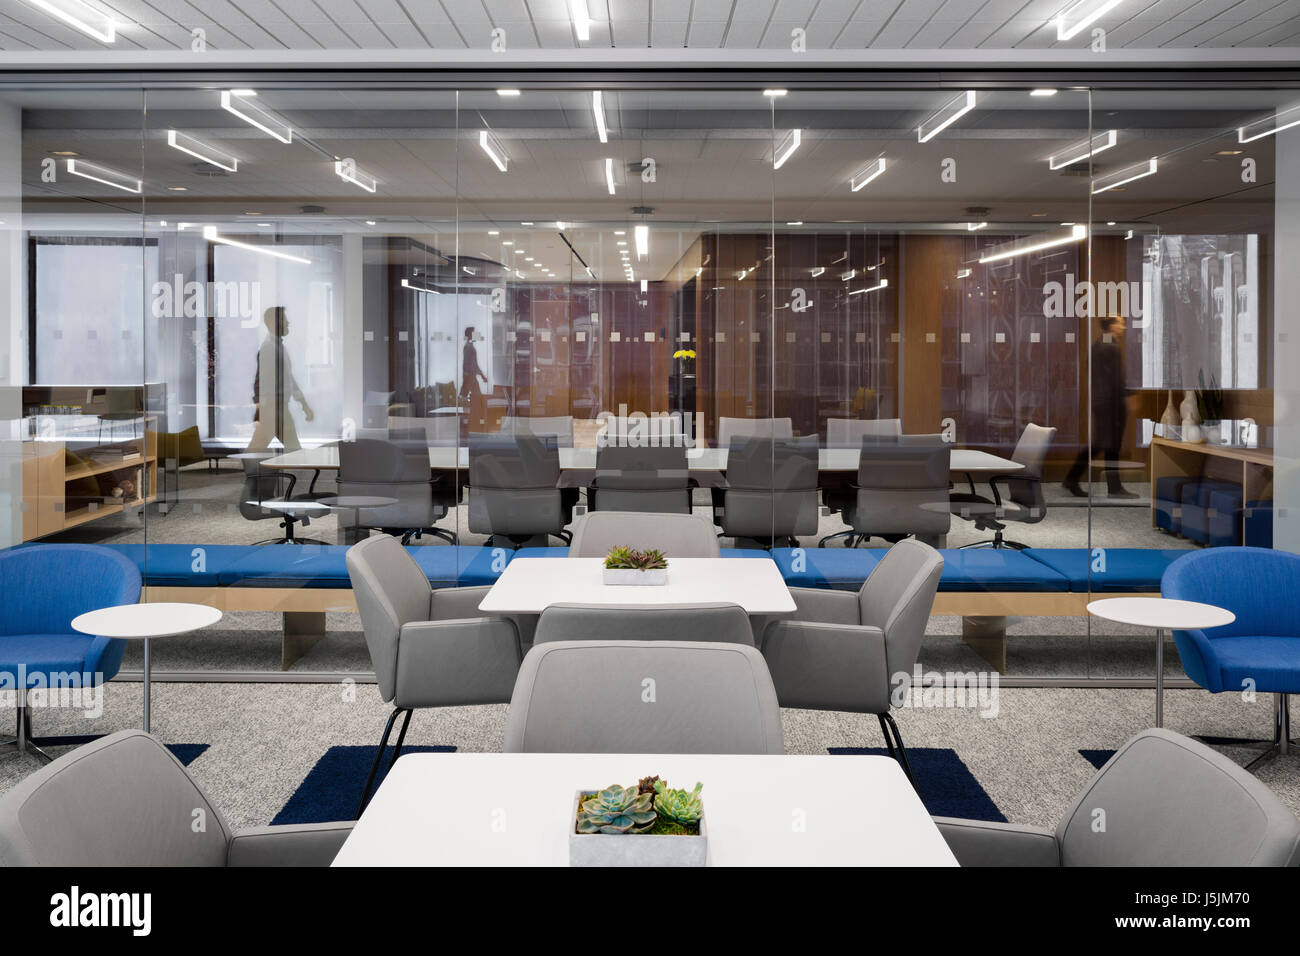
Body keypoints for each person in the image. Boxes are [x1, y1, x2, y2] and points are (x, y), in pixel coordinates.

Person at [1064, 314, 1136, 498]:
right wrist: (1129, 398)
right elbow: (1117, 380)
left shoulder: (1096, 346)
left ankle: (1074, 478)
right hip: (1112, 404)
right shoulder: (1111, 348)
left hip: (1100, 402)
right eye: (1120, 324)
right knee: (1109, 445)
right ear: (1111, 326)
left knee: (1101, 444)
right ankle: (1112, 487)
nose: (1123, 327)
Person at [247, 306, 313, 453]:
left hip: (278, 407)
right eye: (284, 319)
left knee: (291, 448)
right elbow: (261, 382)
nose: (288, 322)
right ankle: (252, 474)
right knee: (260, 449)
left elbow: (289, 379)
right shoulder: (269, 348)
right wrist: (261, 408)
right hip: (272, 408)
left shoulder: (278, 347)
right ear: (273, 322)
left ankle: (253, 474)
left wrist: (304, 405)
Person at [461, 326, 488, 428]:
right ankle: (474, 424)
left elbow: (473, 364)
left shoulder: (469, 346)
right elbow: (471, 365)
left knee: (475, 399)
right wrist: (481, 375)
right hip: (470, 377)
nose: (476, 334)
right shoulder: (468, 347)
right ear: (469, 335)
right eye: (474, 333)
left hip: (470, 377)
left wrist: (482, 375)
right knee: (475, 399)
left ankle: (474, 423)